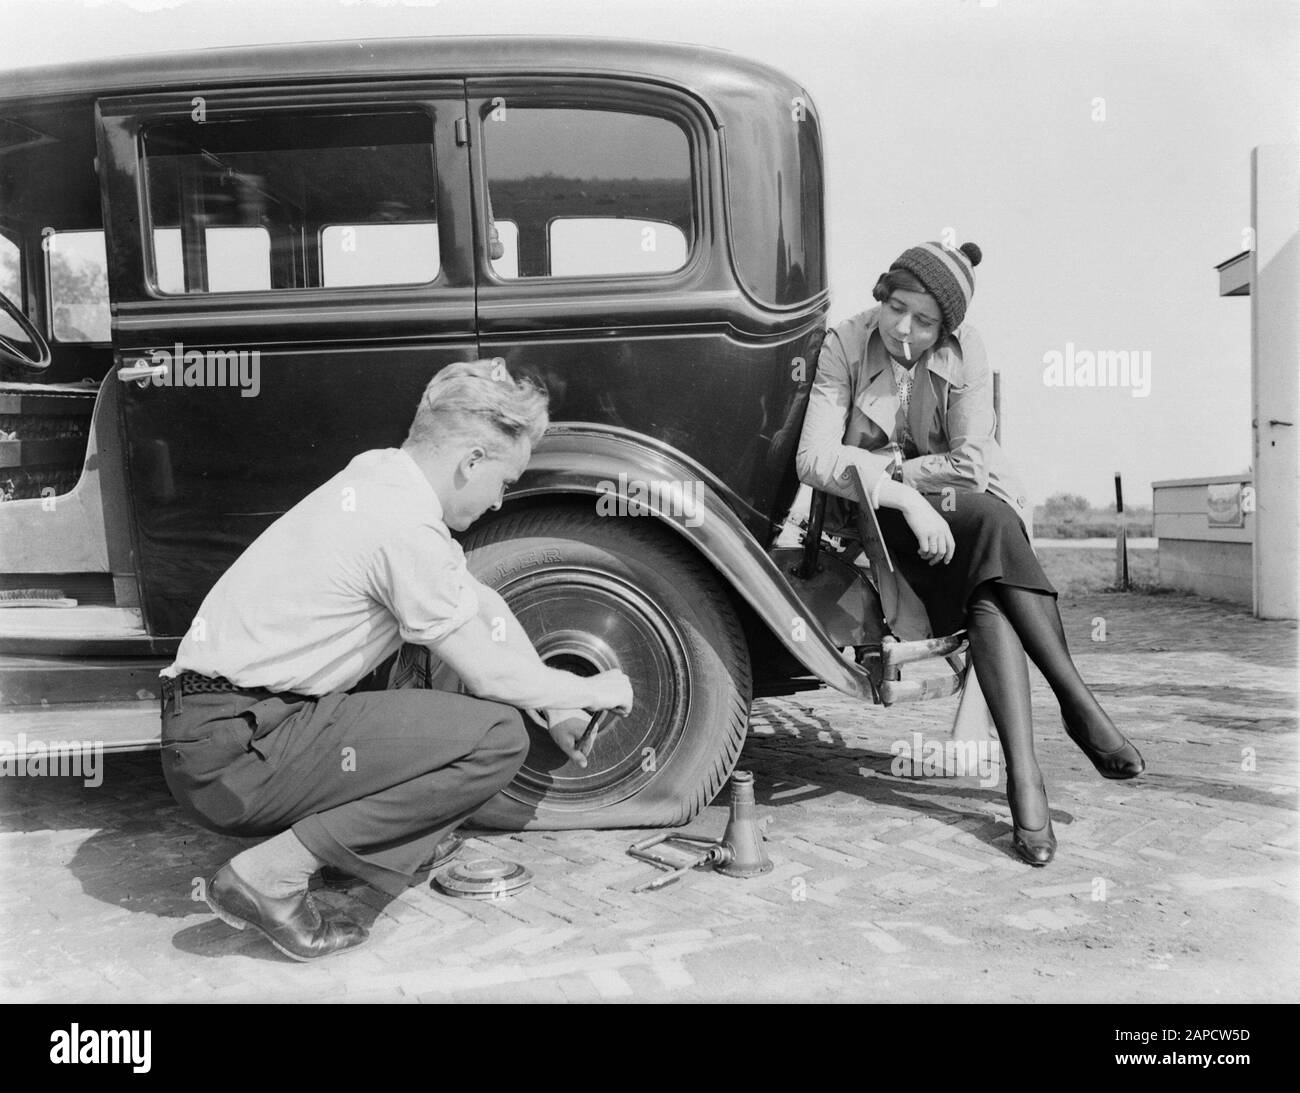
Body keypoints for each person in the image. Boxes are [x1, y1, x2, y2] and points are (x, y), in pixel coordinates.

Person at [159, 359, 633, 960]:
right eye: (505, 482)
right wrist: (589, 692)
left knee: (430, 656)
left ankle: (355, 845)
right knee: (496, 736)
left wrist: (554, 702)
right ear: (472, 461)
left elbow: (478, 604)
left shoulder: (381, 476)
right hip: (234, 752)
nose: (497, 502)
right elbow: (488, 673)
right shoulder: (401, 525)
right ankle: (270, 875)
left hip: (228, 731)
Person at [796, 241, 1143, 866]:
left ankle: (1025, 778)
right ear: (881, 296)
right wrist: (902, 497)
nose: (904, 328)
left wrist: (899, 470)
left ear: (946, 327)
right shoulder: (844, 343)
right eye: (895, 308)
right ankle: (1077, 707)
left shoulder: (966, 350)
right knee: (992, 530)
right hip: (880, 517)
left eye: (924, 321)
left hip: (960, 510)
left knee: (989, 580)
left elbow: (971, 464)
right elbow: (815, 458)